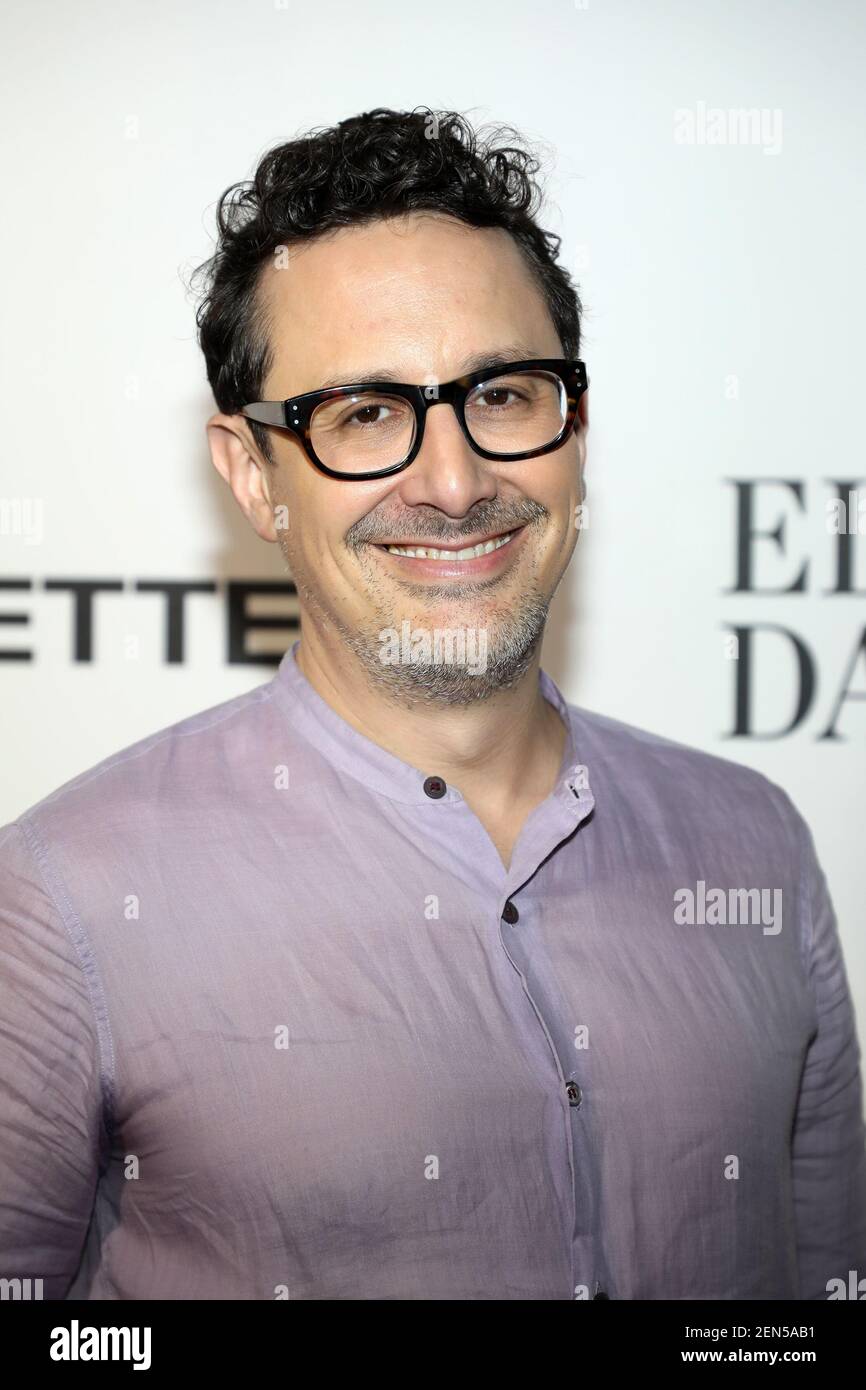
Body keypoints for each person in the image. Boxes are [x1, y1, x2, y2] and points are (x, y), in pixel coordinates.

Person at [1, 107, 863, 1301]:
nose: (453, 482)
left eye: (502, 394)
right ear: (254, 475)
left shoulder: (753, 839)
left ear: (575, 425)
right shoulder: (61, 903)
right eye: (363, 415)